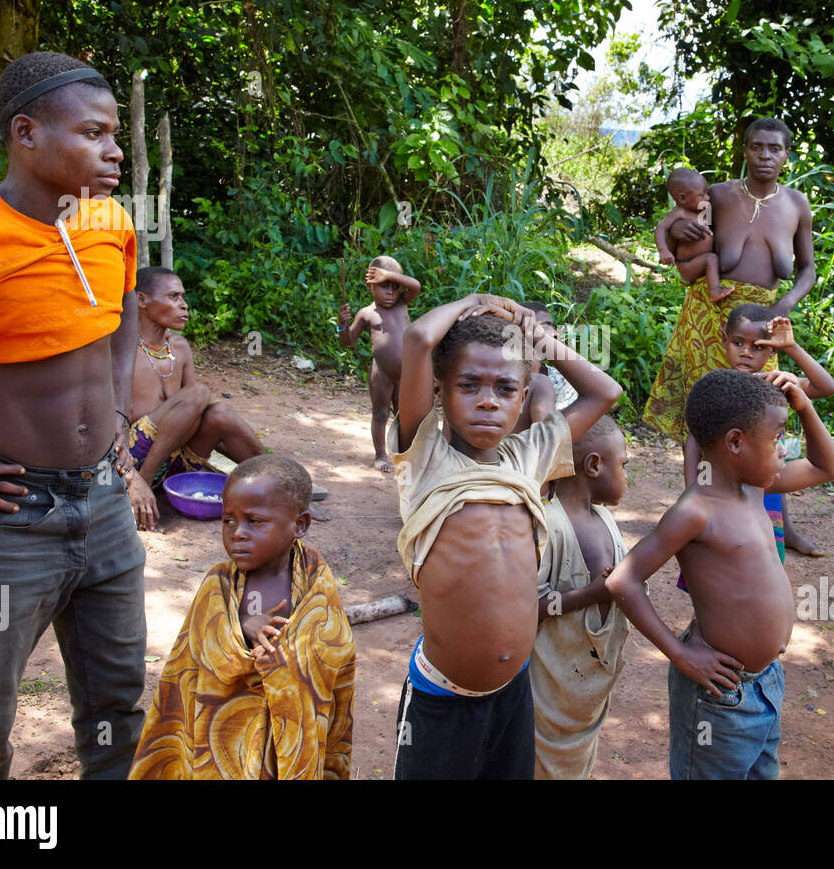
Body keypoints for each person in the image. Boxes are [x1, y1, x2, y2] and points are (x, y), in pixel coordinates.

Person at [0, 51, 146, 779]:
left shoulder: (109, 223)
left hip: (105, 504)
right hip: (8, 517)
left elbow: (127, 309)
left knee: (116, 706)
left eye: (116, 136)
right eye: (94, 134)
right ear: (26, 133)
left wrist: (121, 406)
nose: (111, 151)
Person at [389, 294, 621, 779]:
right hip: (441, 698)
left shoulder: (529, 457)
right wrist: (474, 302)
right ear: (439, 391)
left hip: (516, 691)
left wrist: (542, 343)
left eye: (505, 388)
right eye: (468, 385)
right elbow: (416, 338)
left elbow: (605, 393)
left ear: (523, 397)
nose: (488, 400)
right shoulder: (425, 455)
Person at [607, 368, 834, 779]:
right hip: (717, 695)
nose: (785, 449)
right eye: (777, 437)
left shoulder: (756, 487)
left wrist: (803, 407)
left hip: (765, 682)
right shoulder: (696, 512)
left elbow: (828, 467)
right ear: (735, 442)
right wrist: (681, 655)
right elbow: (622, 579)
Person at [129, 455, 356, 779]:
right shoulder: (217, 585)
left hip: (287, 748)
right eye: (228, 520)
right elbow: (195, 662)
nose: (237, 533)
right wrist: (241, 627)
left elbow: (336, 651)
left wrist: (289, 662)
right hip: (224, 745)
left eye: (254, 521)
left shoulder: (316, 585)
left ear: (300, 525)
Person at [644, 118, 815, 442]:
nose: (765, 155)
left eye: (774, 148)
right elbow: (688, 232)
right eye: (757, 147)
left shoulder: (796, 205)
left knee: (759, 417)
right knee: (705, 417)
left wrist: (784, 305)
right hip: (710, 319)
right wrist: (679, 232)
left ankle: (751, 492)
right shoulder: (718, 197)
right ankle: (701, 489)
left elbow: (808, 268)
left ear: (787, 155)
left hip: (763, 329)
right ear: (745, 152)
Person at [682, 304, 834, 561]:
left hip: (764, 480)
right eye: (738, 343)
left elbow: (825, 387)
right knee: (721, 549)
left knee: (760, 546)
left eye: (758, 347)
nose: (746, 353)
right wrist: (691, 492)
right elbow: (694, 442)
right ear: (724, 339)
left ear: (772, 349)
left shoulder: (774, 384)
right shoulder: (718, 386)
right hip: (720, 483)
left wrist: (791, 347)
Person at [125, 265, 267, 530]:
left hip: (174, 461)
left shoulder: (179, 347)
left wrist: (226, 444)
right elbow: (106, 427)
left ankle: (281, 484)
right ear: (142, 300)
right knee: (200, 391)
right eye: (174, 297)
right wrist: (134, 479)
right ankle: (142, 488)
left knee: (219, 413)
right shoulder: (122, 350)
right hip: (131, 463)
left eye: (183, 297)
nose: (184, 305)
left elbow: (197, 416)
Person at [531, 416, 631, 779]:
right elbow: (529, 608)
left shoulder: (605, 517)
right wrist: (589, 594)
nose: (626, 476)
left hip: (587, 686)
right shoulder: (549, 525)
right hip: (551, 688)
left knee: (577, 765)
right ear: (593, 465)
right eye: (623, 465)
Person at [337, 255, 421, 473]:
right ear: (370, 286)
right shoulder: (367, 313)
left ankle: (404, 453)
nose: (391, 292)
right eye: (384, 286)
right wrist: (341, 324)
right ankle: (381, 455)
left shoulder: (403, 302)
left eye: (395, 286)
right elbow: (347, 342)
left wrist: (389, 275)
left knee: (404, 414)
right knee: (381, 414)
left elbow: (416, 286)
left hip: (405, 372)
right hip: (381, 373)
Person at [652, 167, 733, 302]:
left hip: (699, 261)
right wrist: (663, 251)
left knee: (713, 258)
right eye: (702, 195)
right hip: (687, 265)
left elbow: (709, 227)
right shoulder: (679, 213)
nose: (707, 197)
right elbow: (660, 229)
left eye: (707, 192)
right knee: (711, 259)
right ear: (682, 198)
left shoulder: (702, 209)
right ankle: (714, 291)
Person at [511, 301, 560, 433]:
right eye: (546, 326)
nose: (556, 334)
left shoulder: (559, 378)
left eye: (553, 327)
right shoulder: (498, 373)